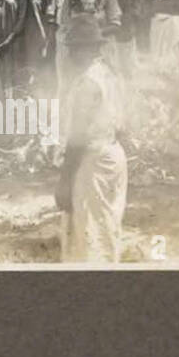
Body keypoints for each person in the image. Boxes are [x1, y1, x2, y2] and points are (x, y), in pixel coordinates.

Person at [57, 15, 128, 263]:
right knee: (106, 228)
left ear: (91, 49)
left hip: (93, 160)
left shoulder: (88, 82)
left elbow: (78, 137)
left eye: (77, 48)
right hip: (113, 155)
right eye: (71, 48)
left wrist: (64, 181)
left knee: (89, 234)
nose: (71, 54)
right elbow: (121, 125)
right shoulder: (108, 73)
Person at [21, 0, 60, 96]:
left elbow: (51, 19)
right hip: (27, 33)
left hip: (43, 34)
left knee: (43, 70)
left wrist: (47, 42)